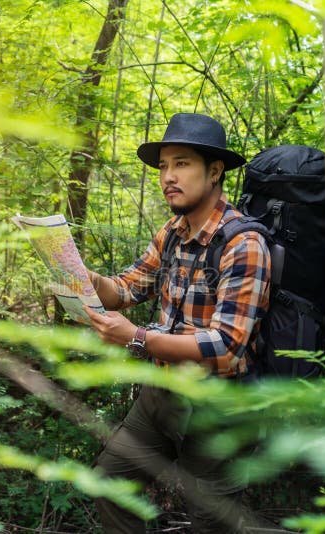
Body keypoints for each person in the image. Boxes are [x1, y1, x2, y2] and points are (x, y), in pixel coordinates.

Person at [83, 113, 271, 533]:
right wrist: (86, 279)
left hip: (220, 408)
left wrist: (136, 339)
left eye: (181, 163)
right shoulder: (172, 231)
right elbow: (127, 288)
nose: (168, 176)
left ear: (215, 170)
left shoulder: (244, 243)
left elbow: (225, 347)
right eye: (164, 166)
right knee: (109, 483)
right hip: (163, 395)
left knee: (210, 523)